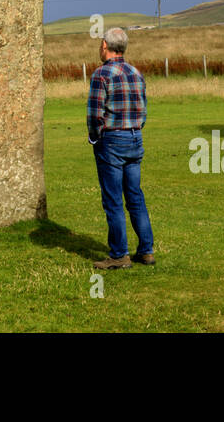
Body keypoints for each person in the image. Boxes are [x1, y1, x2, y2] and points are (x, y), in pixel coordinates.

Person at [86, 27, 155, 269]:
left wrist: (95, 138)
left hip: (112, 140)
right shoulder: (136, 73)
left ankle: (119, 255)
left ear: (105, 46)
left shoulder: (101, 74)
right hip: (135, 137)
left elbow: (95, 114)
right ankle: (146, 251)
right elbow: (143, 110)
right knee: (135, 197)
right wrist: (135, 129)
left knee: (113, 200)